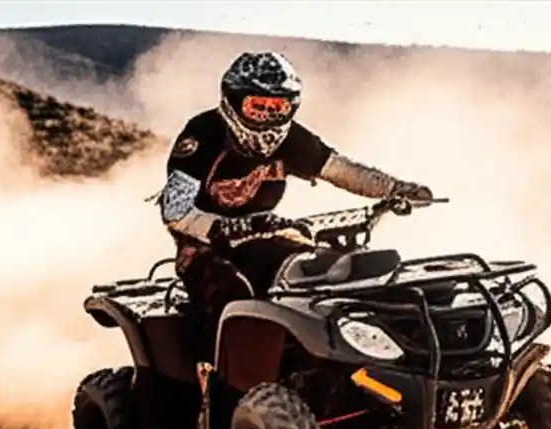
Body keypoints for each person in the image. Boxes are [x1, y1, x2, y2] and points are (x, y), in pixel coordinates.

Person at [156, 50, 432, 355]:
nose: (268, 117)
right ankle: (215, 384)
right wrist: (225, 226)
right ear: (233, 102)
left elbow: (339, 169)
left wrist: (394, 188)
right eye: (258, 107)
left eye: (278, 107)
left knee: (320, 274)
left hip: (261, 236)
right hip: (202, 245)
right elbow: (175, 211)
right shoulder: (202, 135)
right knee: (231, 292)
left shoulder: (291, 138)